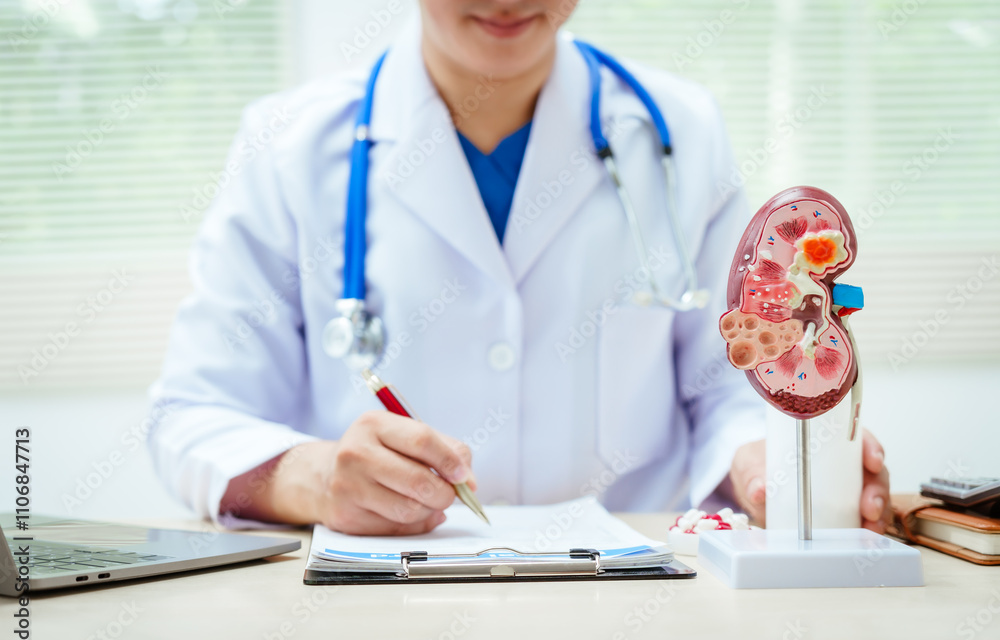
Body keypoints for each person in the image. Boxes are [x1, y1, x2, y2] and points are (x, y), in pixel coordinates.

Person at [147, 0, 892, 536]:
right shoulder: (289, 148)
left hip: (640, 597)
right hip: (379, 609)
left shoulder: (680, 135)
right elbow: (191, 413)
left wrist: (767, 463)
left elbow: (725, 388)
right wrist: (314, 478)